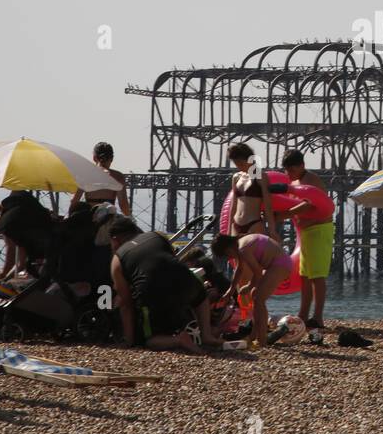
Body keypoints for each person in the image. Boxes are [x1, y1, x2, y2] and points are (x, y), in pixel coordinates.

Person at [109, 217, 219, 352]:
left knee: (149, 340)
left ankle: (179, 339)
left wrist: (129, 340)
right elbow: (172, 259)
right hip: (183, 279)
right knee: (201, 296)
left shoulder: (118, 258)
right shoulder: (156, 236)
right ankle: (206, 335)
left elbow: (126, 303)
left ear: (115, 240)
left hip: (152, 290)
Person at [281, 149, 333, 329]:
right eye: (286, 170)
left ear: (301, 166)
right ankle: (303, 314)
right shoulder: (295, 181)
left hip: (319, 230)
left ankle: (318, 317)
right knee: (304, 275)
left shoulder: (310, 180)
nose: (288, 174)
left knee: (317, 276)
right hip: (306, 233)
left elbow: (309, 204)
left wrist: (284, 215)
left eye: (291, 170)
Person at [211, 232, 292, 348]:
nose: (229, 258)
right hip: (275, 264)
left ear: (228, 249)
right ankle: (254, 335)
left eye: (227, 255)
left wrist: (249, 286)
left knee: (259, 299)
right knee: (255, 296)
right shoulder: (241, 243)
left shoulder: (243, 248)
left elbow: (258, 271)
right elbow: (239, 270)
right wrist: (230, 290)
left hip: (279, 264)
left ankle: (262, 340)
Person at [0, 189, 56, 279]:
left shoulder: (7, 225)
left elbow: (19, 263)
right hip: (52, 250)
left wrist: (3, 278)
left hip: (46, 260)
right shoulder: (17, 210)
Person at [227, 143, 277, 239]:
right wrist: (229, 229)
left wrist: (272, 230)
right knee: (235, 253)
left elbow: (268, 206)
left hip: (253, 224)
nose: (238, 166)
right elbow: (233, 205)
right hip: (236, 225)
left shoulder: (261, 176)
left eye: (241, 163)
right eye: (236, 164)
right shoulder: (236, 177)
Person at [68, 141, 130, 216]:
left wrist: (69, 217)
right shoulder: (118, 176)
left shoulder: (85, 175)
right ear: (112, 159)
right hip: (109, 218)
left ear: (94, 158)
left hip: (91, 218)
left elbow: (74, 201)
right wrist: (130, 219)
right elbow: (123, 204)